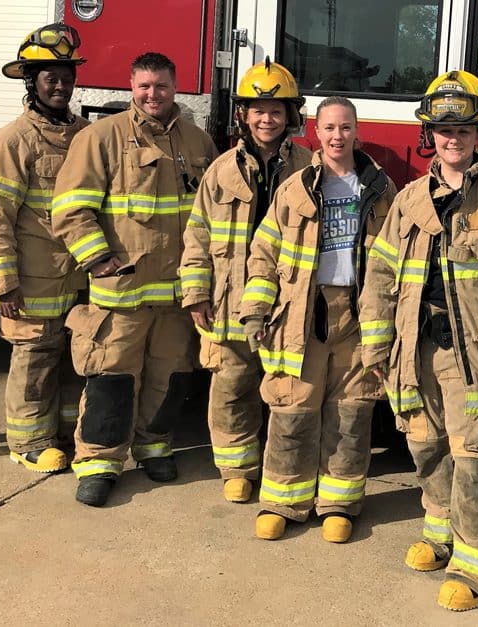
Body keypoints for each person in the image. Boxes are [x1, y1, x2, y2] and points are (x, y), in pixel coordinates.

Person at [359, 70, 478, 611]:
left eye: (463, 130)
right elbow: (380, 274)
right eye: (443, 129)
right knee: (424, 446)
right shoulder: (410, 200)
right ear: (430, 136)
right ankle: (440, 532)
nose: (452, 139)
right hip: (417, 349)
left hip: (477, 354)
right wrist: (377, 346)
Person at [51, 52, 219, 507]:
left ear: (175, 86)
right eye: (144, 86)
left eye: (161, 86)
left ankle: (153, 447)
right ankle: (99, 462)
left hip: (176, 294)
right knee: (111, 378)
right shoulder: (101, 137)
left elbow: (214, 217)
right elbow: (70, 208)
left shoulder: (198, 142)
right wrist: (97, 258)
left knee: (170, 377)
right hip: (120, 290)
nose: (153, 95)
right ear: (131, 86)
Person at [238, 96, 395, 542]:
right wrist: (255, 310)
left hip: (358, 314)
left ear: (357, 132)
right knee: (293, 407)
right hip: (301, 312)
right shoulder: (296, 189)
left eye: (345, 127)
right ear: (315, 133)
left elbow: (398, 260)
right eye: (329, 128)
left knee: (352, 412)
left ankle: (339, 503)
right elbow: (264, 253)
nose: (337, 136)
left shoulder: (381, 190)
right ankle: (283, 501)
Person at [180, 58, 313, 503]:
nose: (266, 118)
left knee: (285, 388)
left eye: (276, 110)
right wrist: (196, 291)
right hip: (231, 295)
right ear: (243, 114)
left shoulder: (312, 169)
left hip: (290, 297)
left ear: (291, 115)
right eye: (257, 109)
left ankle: (281, 470)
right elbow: (197, 234)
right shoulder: (220, 171)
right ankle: (236, 467)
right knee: (233, 383)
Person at [0, 23, 90, 474]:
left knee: (74, 358)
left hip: (80, 273)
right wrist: (3, 282)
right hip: (33, 275)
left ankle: (63, 434)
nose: (59, 83)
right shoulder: (11, 141)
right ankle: (27, 442)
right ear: (31, 81)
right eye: (48, 75)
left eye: (65, 74)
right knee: (35, 359)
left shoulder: (86, 135)